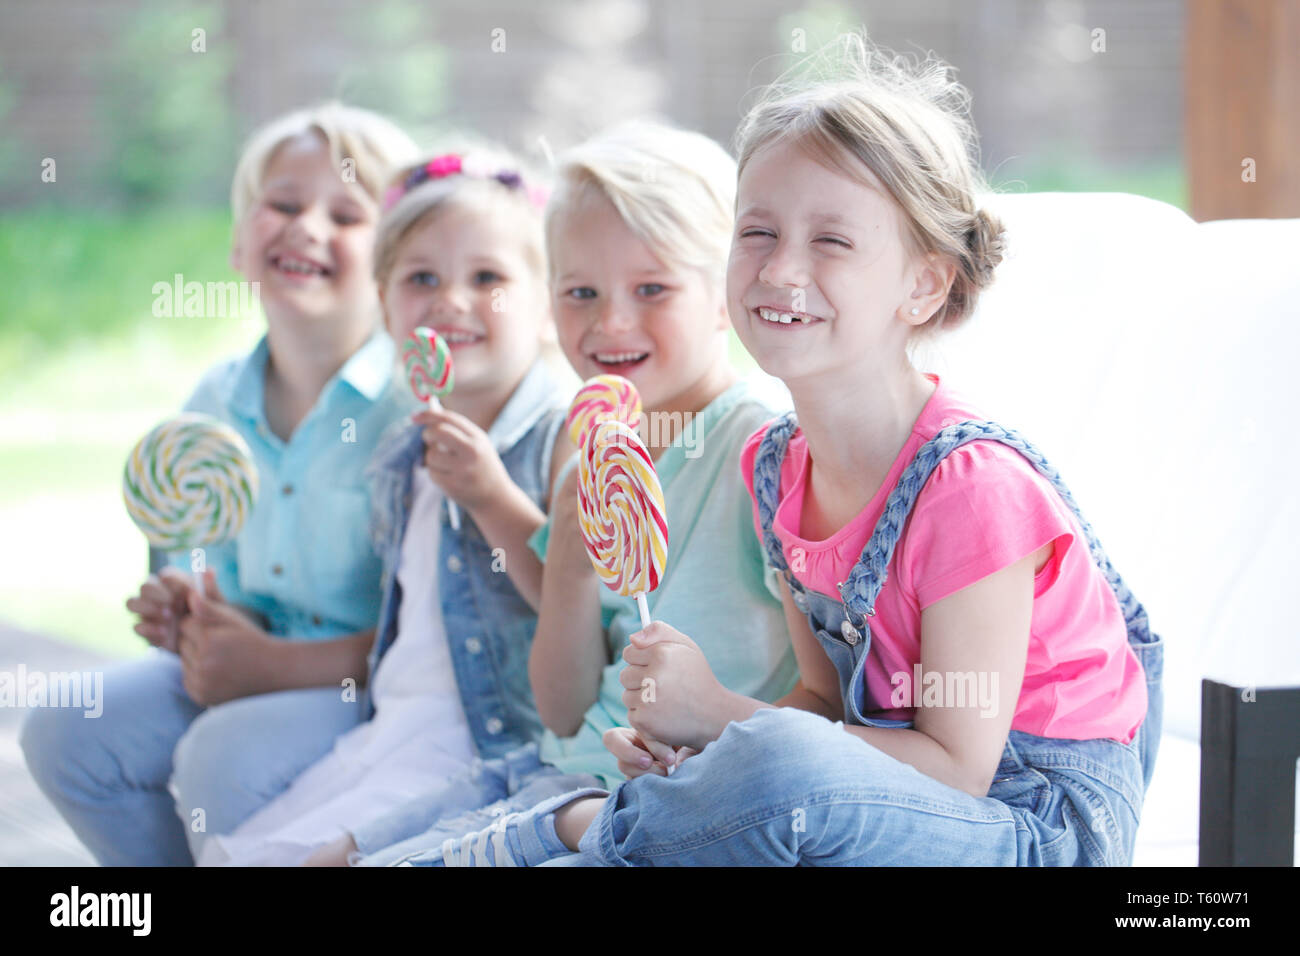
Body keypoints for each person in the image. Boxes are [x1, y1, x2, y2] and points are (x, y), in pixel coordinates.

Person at [425, 34, 1163, 867]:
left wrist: (723, 722)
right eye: (758, 233)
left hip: (1028, 820)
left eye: (833, 242)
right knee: (757, 762)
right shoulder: (775, 465)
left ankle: (571, 833)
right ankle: (604, 825)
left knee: (770, 761)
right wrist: (696, 745)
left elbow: (957, 769)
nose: (781, 271)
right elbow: (819, 698)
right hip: (871, 788)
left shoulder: (970, 487)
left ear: (924, 284)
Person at [303, 120, 799, 867]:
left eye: (652, 288)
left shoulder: (761, 453)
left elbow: (827, 698)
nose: (610, 322)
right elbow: (563, 708)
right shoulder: (588, 457)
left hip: (678, 801)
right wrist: (567, 554)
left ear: (726, 295)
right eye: (580, 291)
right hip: (559, 776)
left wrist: (710, 737)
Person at [20, 103, 419, 865]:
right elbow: (191, 557)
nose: (306, 227)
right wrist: (186, 611)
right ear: (241, 241)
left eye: (345, 213)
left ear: (396, 261)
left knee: (223, 757)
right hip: (239, 665)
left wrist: (270, 667)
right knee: (64, 729)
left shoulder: (409, 412)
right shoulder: (214, 402)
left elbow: (431, 639)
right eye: (283, 204)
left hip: (363, 690)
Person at [194, 147, 574, 866]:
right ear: (383, 300)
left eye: (487, 278)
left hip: (489, 742)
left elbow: (575, 605)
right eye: (421, 278)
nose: (450, 301)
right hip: (392, 724)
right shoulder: (406, 449)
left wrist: (491, 496)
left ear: (546, 307)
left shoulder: (555, 436)